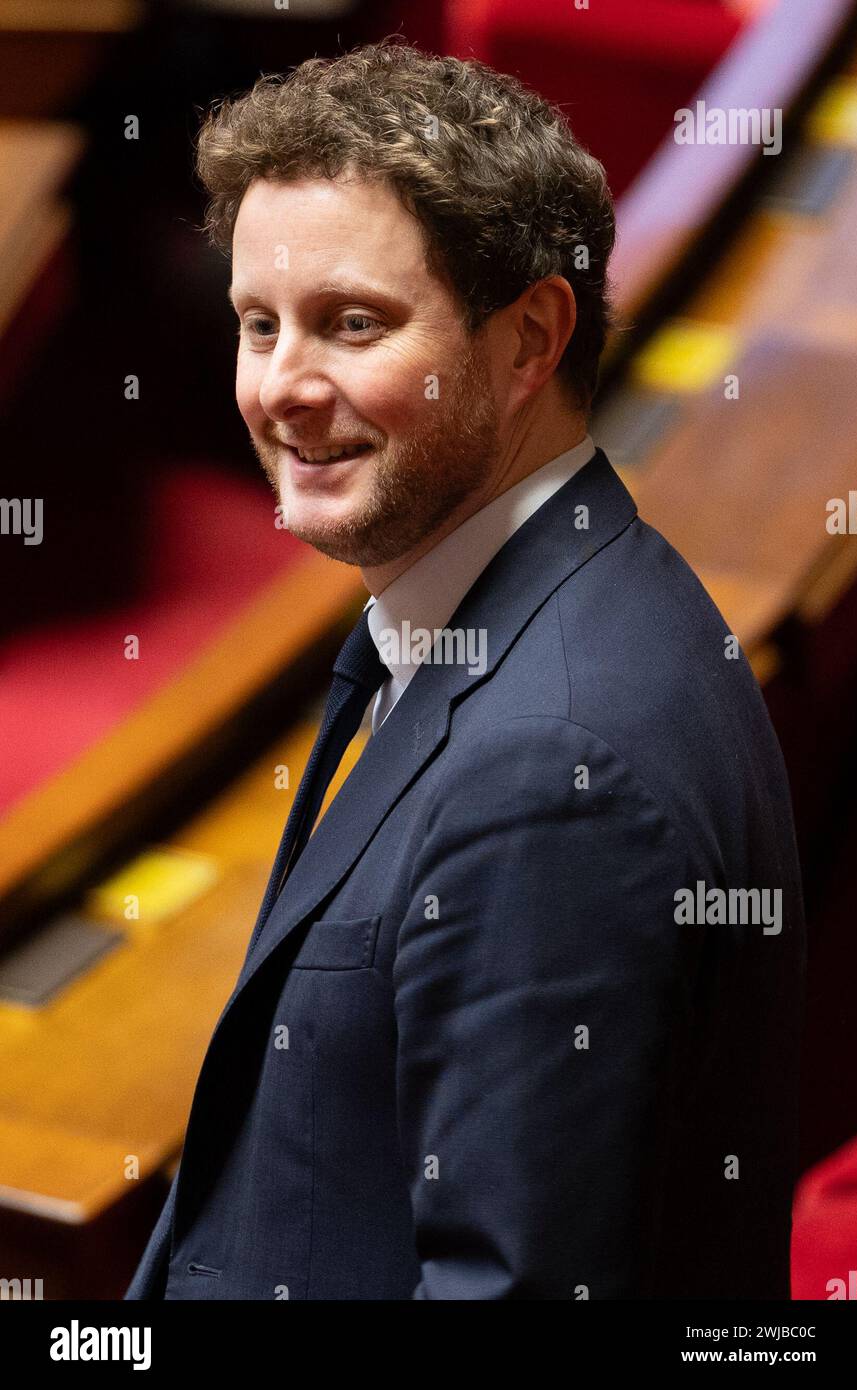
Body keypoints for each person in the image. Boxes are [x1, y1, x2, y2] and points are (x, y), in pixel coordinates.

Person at [126, 38, 806, 1300]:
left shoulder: (556, 765)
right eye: (257, 324)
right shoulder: (498, 606)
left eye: (350, 324)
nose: (280, 387)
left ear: (527, 340)